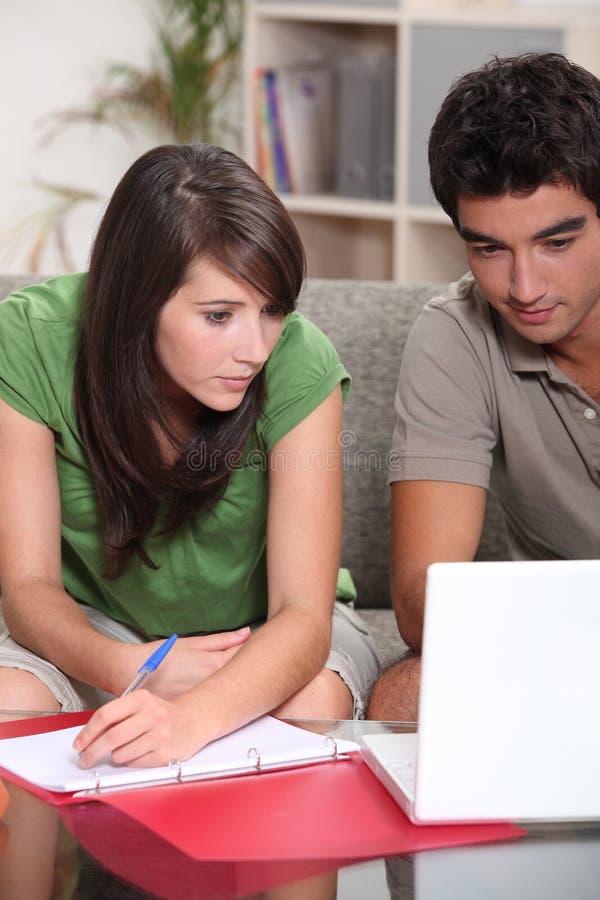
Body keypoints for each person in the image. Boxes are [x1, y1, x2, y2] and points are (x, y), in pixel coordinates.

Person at [0, 142, 379, 769]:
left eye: (272, 311)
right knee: (11, 697)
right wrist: (133, 668)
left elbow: (302, 617)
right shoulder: (31, 339)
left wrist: (192, 716)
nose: (254, 349)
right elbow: (29, 587)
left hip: (264, 636)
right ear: (138, 298)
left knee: (306, 708)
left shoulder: (298, 361)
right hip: (101, 631)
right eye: (219, 316)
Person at [368, 51, 600, 721]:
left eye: (557, 242)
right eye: (489, 249)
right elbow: (420, 604)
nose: (523, 289)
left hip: (552, 642)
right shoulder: (456, 335)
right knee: (399, 697)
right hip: (557, 655)